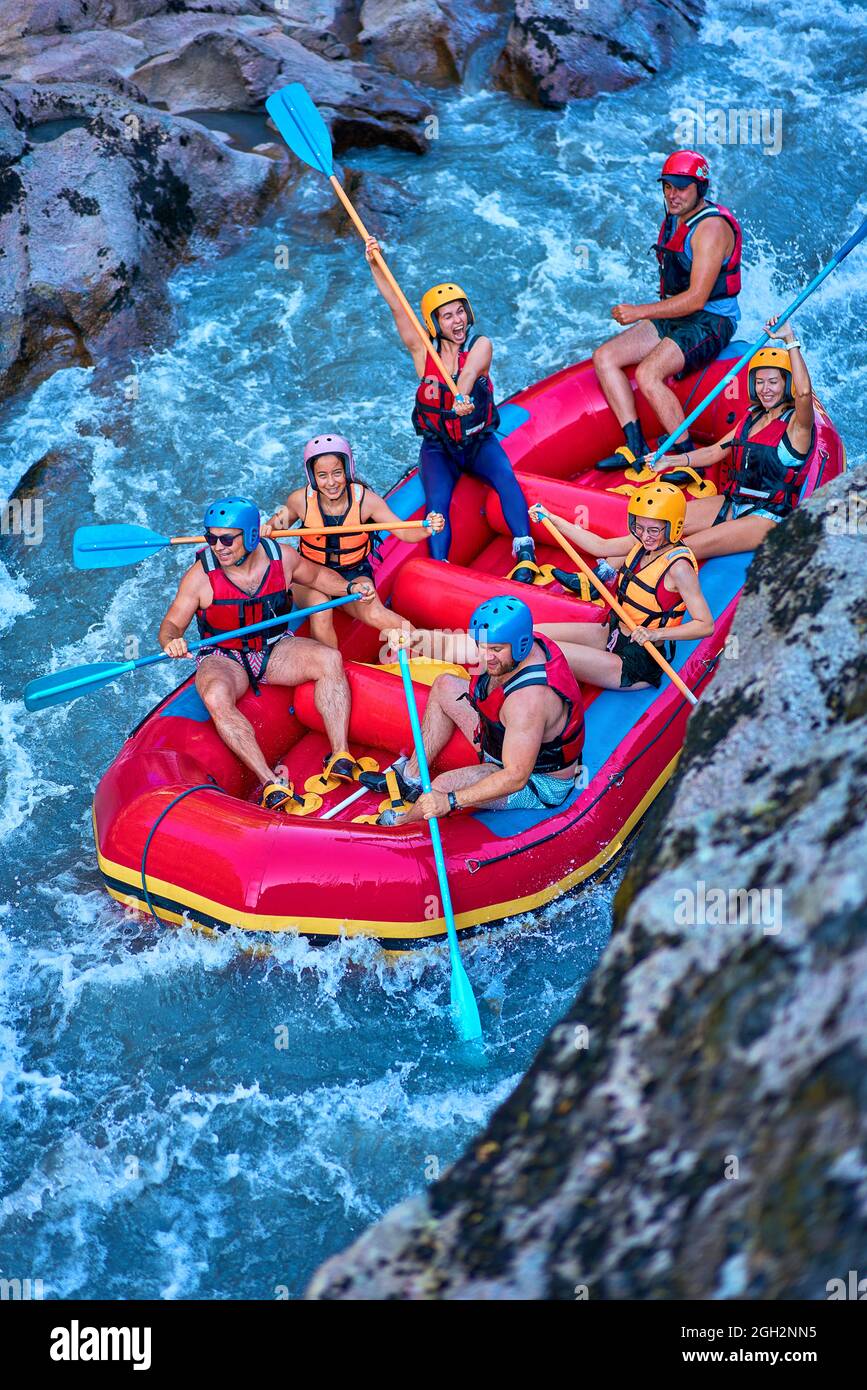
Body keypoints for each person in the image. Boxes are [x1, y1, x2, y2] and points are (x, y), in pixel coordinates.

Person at [158, 496, 375, 808]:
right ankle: (271, 782)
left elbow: (315, 577)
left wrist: (349, 588)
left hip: (274, 649)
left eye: (226, 539)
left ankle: (340, 754)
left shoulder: (281, 558)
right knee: (216, 696)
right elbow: (171, 623)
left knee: (330, 659)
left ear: (249, 536)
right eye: (211, 538)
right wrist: (171, 640)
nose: (218, 547)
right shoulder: (200, 577)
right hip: (223, 656)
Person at [364, 237, 538, 582]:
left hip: (478, 443)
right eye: (447, 316)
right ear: (434, 323)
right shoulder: (422, 354)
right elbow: (397, 306)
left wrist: (461, 393)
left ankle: (524, 550)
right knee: (436, 505)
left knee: (505, 479)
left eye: (461, 311)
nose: (457, 321)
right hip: (438, 446)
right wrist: (374, 263)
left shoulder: (481, 345)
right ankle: (441, 569)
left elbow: (471, 371)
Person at [360, 596, 585, 826]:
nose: (486, 656)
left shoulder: (528, 701)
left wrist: (450, 800)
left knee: (442, 785)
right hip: (498, 740)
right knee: (445, 685)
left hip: (537, 781)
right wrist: (411, 638)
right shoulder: (503, 647)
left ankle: (401, 824)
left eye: (495, 650)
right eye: (483, 647)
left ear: (521, 645)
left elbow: (515, 776)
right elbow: (448, 645)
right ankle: (412, 777)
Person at [593, 150, 743, 470]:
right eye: (667, 187)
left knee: (649, 373)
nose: (672, 195)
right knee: (605, 358)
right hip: (680, 314)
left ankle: (687, 459)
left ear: (699, 189)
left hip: (711, 320)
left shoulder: (710, 230)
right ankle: (633, 446)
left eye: (681, 187)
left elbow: (697, 300)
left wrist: (638, 312)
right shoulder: (676, 218)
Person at [262, 433, 443, 649]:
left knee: (376, 613)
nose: (331, 482)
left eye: (337, 473)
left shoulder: (367, 501)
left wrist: (427, 528)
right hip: (310, 575)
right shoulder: (299, 501)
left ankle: (431, 652)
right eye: (322, 475)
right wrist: (266, 529)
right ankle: (332, 667)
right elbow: (276, 525)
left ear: (348, 470)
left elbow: (404, 532)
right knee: (320, 608)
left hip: (353, 573)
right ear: (312, 476)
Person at [532, 483, 713, 691]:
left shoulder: (679, 569)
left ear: (674, 526)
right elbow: (600, 546)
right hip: (614, 631)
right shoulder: (641, 544)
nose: (645, 536)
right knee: (531, 635)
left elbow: (705, 625)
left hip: (639, 660)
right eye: (639, 527)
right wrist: (551, 518)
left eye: (653, 530)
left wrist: (657, 634)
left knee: (542, 652)